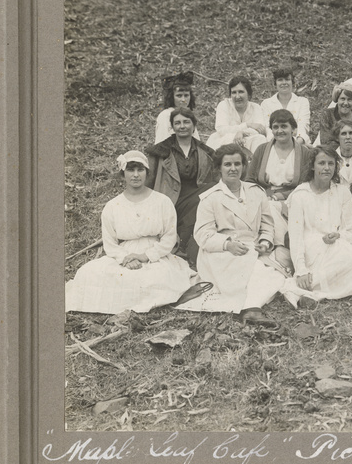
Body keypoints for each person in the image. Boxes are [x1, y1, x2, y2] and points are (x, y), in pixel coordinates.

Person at [65, 151, 193, 314]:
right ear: (122, 174)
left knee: (155, 277)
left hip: (155, 255)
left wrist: (145, 256)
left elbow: (169, 238)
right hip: (124, 254)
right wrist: (125, 258)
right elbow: (110, 244)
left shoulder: (162, 202)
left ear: (147, 173)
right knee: (88, 273)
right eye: (130, 169)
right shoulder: (112, 206)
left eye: (140, 170)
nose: (135, 175)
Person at [180, 144, 284, 326]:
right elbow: (203, 235)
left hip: (253, 248)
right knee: (258, 273)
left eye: (237, 164)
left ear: (244, 166)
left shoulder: (256, 192)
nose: (233, 169)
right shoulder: (210, 198)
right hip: (222, 253)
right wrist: (227, 244)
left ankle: (250, 306)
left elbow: (268, 224)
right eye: (227, 164)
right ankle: (251, 308)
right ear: (219, 168)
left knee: (276, 274)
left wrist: (265, 242)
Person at [283, 147, 352, 306]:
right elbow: (296, 237)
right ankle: (300, 286)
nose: (326, 168)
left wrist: (338, 236)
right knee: (345, 262)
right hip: (311, 247)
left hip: (338, 244)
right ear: (313, 166)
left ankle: (310, 292)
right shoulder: (299, 195)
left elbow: (349, 231)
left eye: (331, 163)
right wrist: (301, 270)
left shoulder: (342, 192)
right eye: (321, 163)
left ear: (336, 167)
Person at [145, 107, 216, 266]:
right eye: (177, 123)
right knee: (204, 198)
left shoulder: (204, 151)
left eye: (186, 122)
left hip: (196, 197)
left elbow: (215, 177)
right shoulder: (160, 151)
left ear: (194, 125)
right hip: (170, 199)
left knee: (211, 191)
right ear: (172, 127)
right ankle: (181, 245)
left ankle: (185, 244)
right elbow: (148, 181)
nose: (182, 126)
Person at [245, 109, 314, 247]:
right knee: (269, 207)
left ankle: (279, 245)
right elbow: (249, 181)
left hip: (293, 198)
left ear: (293, 129)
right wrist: (264, 196)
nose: (279, 131)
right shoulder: (262, 150)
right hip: (264, 196)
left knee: (273, 208)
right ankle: (279, 246)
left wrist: (280, 196)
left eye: (284, 126)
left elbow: (306, 184)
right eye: (275, 127)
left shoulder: (305, 153)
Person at [208, 74, 268, 151]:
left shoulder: (256, 107)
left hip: (249, 141)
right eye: (234, 92)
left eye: (241, 92)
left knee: (260, 138)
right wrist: (247, 125)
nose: (237, 96)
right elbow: (221, 129)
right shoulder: (224, 105)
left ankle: (254, 162)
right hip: (226, 142)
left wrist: (242, 133)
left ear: (248, 93)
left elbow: (260, 129)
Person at [259, 65, 311, 143]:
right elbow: (268, 128)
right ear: (275, 83)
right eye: (280, 80)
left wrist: (297, 142)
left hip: (298, 142)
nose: (284, 83)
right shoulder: (266, 104)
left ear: (292, 82)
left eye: (287, 79)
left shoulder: (302, 102)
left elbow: (303, 125)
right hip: (274, 143)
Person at [316, 84, 352, 149]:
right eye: (342, 99)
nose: (345, 103)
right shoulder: (328, 115)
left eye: (349, 100)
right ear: (337, 100)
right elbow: (326, 143)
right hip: (334, 154)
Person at [154, 71, 201, 143]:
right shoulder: (165, 116)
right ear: (171, 97)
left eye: (186, 95)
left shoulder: (188, 115)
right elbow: (161, 144)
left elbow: (196, 142)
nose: (183, 100)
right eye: (179, 96)